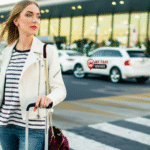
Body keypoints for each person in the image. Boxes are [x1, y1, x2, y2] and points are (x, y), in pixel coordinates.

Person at [0, 1, 67, 150]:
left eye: (38, 16)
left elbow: (60, 89)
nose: (35, 20)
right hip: (4, 125)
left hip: (33, 126)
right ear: (16, 21)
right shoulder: (6, 53)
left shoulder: (47, 51)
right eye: (29, 15)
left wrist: (49, 98)